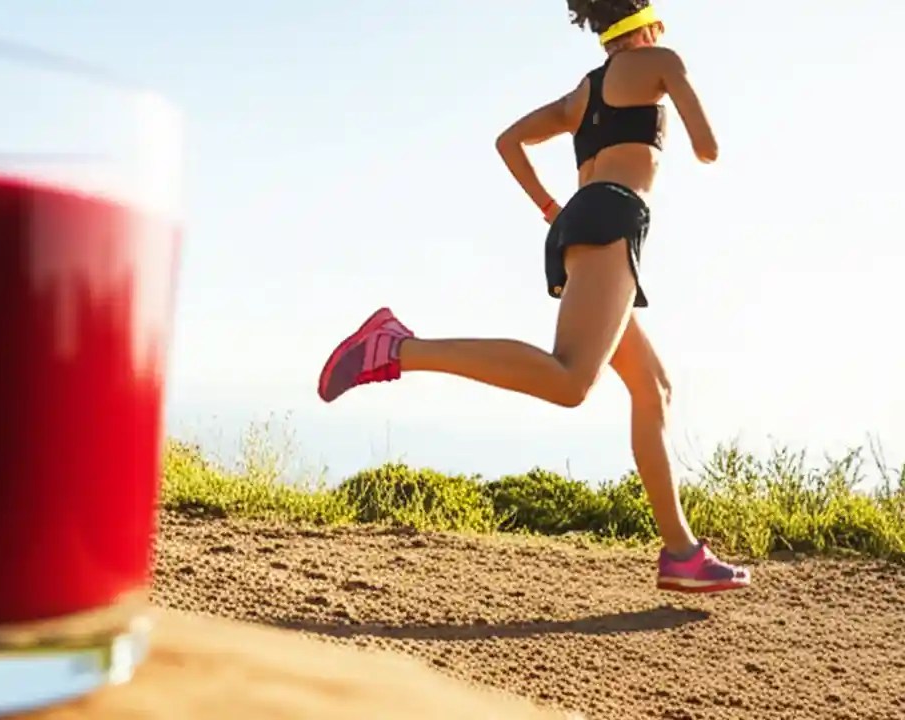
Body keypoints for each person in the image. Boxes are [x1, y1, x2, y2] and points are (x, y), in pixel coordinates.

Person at [316, 0, 749, 594]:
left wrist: (551, 209)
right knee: (570, 381)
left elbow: (509, 141)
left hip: (581, 223)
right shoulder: (661, 61)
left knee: (653, 388)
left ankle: (681, 553)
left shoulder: (583, 94)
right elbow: (709, 147)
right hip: (614, 221)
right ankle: (397, 348)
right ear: (645, 18)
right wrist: (676, 90)